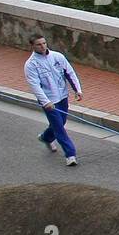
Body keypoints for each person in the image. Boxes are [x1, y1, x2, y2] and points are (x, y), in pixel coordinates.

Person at [24, 33, 83, 167]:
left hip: (62, 96)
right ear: (32, 46)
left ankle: (46, 137)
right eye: (39, 44)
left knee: (61, 122)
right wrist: (46, 102)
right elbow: (35, 85)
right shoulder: (31, 65)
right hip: (49, 101)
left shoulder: (57, 57)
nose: (43, 46)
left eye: (44, 43)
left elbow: (70, 73)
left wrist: (77, 90)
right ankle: (70, 154)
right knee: (58, 127)